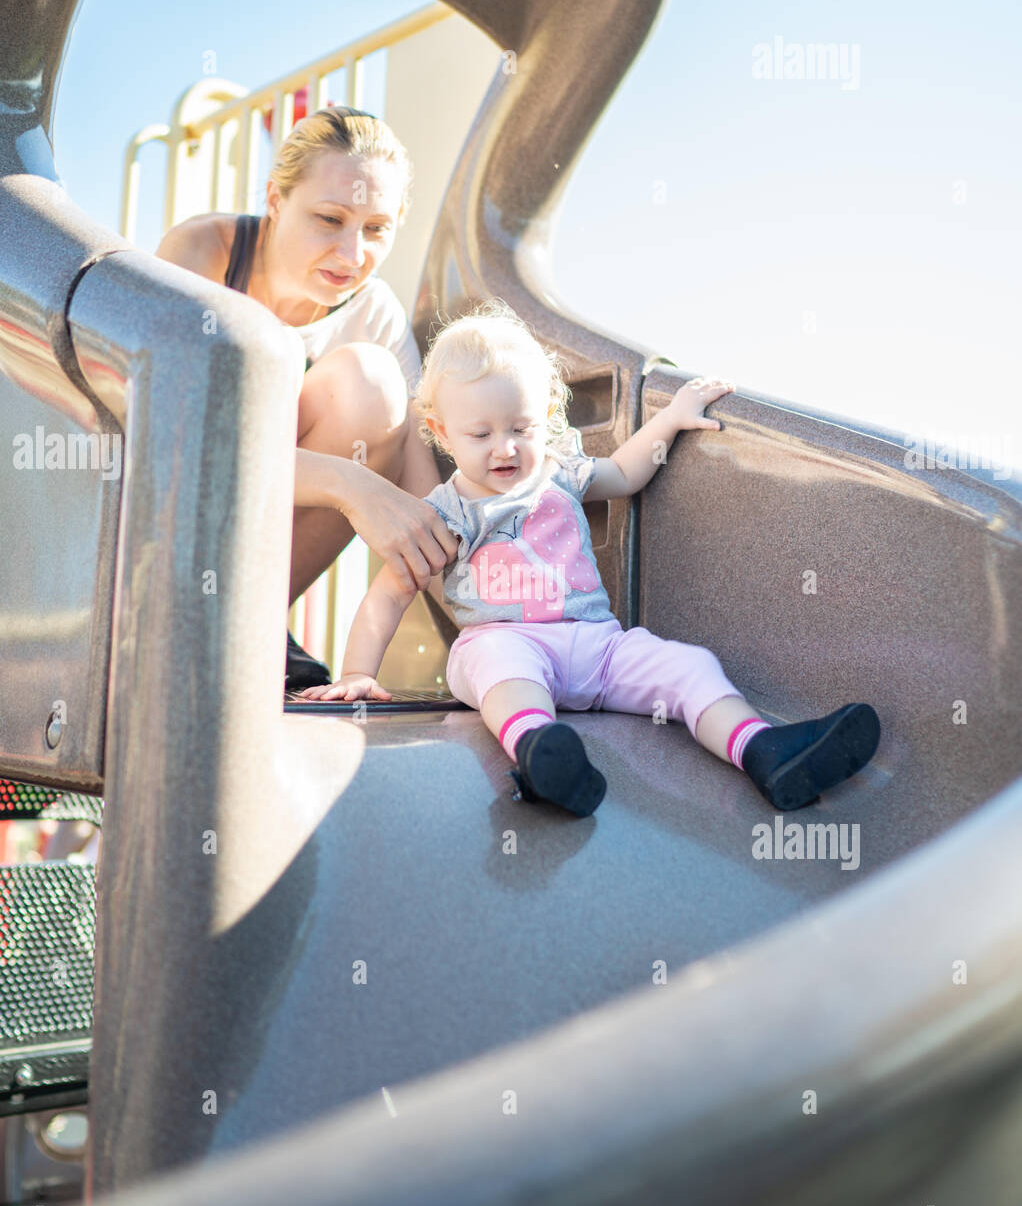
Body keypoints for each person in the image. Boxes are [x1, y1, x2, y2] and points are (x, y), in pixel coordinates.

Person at [298, 302, 881, 817]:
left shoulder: (559, 471)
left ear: (546, 412)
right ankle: (542, 755)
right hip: (504, 641)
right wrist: (356, 674)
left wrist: (671, 418)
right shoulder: (446, 514)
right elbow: (388, 595)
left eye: (521, 427)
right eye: (480, 434)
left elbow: (626, 472)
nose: (505, 447)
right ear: (441, 431)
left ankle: (764, 749)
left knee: (688, 665)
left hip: (595, 645)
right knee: (504, 670)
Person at [154, 106, 459, 688]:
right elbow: (181, 447)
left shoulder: (374, 312)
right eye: (329, 218)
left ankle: (246, 623)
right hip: (162, 536)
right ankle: (198, 619)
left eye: (376, 229)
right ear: (275, 199)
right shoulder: (202, 255)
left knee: (372, 382)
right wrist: (352, 485)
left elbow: (424, 501)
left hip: (253, 574)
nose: (352, 255)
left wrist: (494, 631)